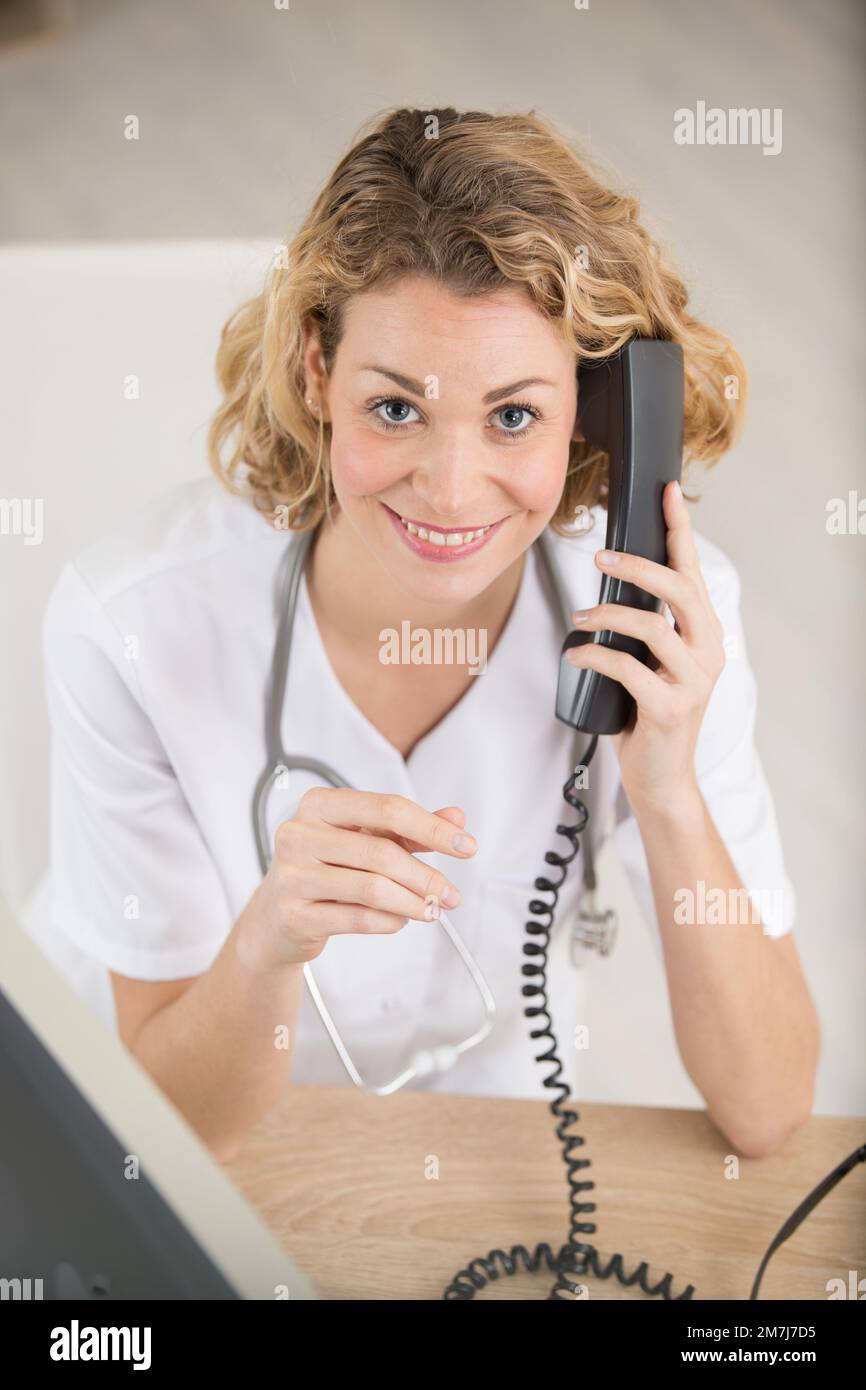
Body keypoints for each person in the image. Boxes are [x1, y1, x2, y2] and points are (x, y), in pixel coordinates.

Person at [40, 106, 818, 1163]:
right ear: (317, 372)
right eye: (396, 409)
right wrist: (270, 940)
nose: (450, 494)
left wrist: (667, 787)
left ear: (595, 410)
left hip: (472, 1149)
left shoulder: (662, 621)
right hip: (154, 1139)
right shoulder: (131, 622)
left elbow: (768, 1108)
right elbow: (162, 1138)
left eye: (512, 416)